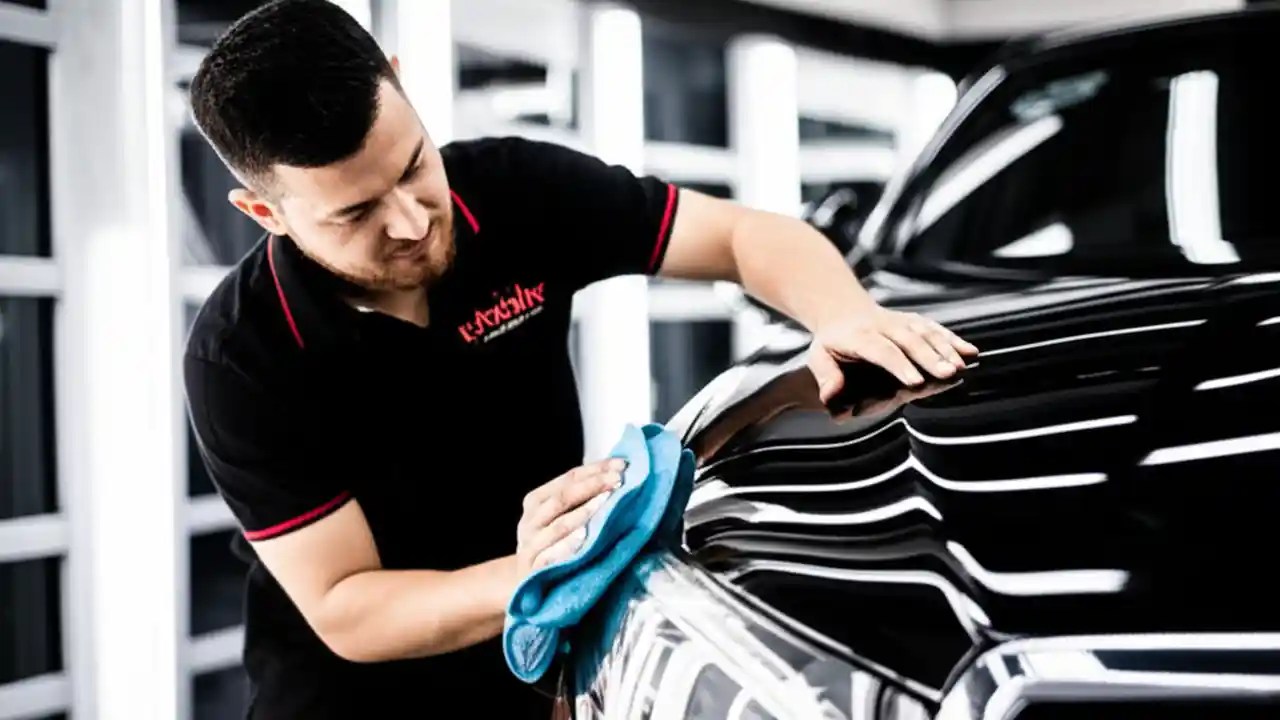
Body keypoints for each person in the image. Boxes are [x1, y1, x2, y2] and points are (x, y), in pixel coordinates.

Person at [181, 0, 979, 717]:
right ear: (264, 212)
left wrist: (843, 314)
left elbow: (743, 237)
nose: (411, 220)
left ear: (400, 83)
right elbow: (348, 607)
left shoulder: (513, 190)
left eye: (413, 164)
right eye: (354, 213)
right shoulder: (241, 357)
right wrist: (551, 567)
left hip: (542, 674)